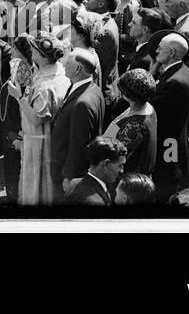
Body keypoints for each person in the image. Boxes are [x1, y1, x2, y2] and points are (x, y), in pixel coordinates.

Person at [9, 34, 71, 206]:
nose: (31, 51)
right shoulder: (59, 73)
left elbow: (37, 119)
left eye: (34, 48)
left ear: (42, 55)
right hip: (51, 139)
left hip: (39, 145)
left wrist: (18, 97)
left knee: (37, 188)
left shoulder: (45, 85)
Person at [148, 33, 189, 198]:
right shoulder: (181, 71)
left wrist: (149, 75)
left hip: (169, 145)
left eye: (160, 48)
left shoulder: (175, 81)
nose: (156, 50)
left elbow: (150, 104)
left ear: (171, 53)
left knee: (166, 185)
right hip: (172, 141)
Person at [53, 48, 105, 200]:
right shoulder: (92, 88)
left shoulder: (83, 102)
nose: (63, 65)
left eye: (67, 63)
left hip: (67, 174)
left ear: (77, 68)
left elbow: (79, 144)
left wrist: (70, 178)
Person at [102, 68, 159, 175]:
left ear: (128, 96)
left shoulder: (134, 126)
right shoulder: (145, 107)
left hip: (126, 183)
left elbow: (113, 157)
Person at [67, 137, 127, 206]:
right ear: (106, 164)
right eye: (120, 166)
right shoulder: (95, 202)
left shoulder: (74, 183)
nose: (122, 171)